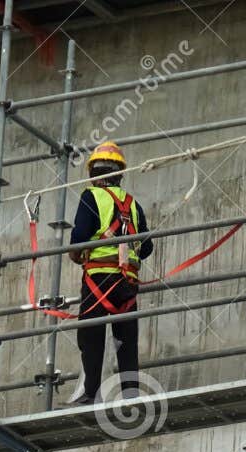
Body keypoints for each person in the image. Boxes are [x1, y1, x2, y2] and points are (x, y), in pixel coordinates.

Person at [67, 140, 152, 406]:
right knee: (125, 337)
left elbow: (80, 235)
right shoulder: (133, 204)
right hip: (127, 282)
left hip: (98, 279)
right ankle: (130, 393)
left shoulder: (91, 196)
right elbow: (146, 246)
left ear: (93, 173)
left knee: (90, 335)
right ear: (119, 173)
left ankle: (91, 393)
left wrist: (76, 252)